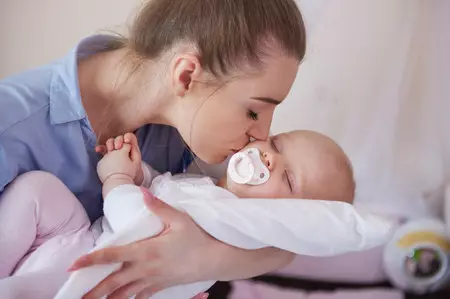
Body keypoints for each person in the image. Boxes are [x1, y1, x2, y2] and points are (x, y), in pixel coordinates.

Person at [0, 0, 306, 297]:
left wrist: (198, 263)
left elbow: (290, 238)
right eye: (254, 111)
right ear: (186, 76)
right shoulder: (12, 124)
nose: (262, 135)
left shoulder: (182, 131)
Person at [0, 130, 354, 298]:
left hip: (96, 280)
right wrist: (142, 175)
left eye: (289, 178)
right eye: (275, 144)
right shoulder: (213, 190)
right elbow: (167, 190)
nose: (269, 158)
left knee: (20, 294)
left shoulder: (228, 228)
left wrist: (118, 179)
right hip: (86, 239)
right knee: (38, 189)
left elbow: (139, 226)